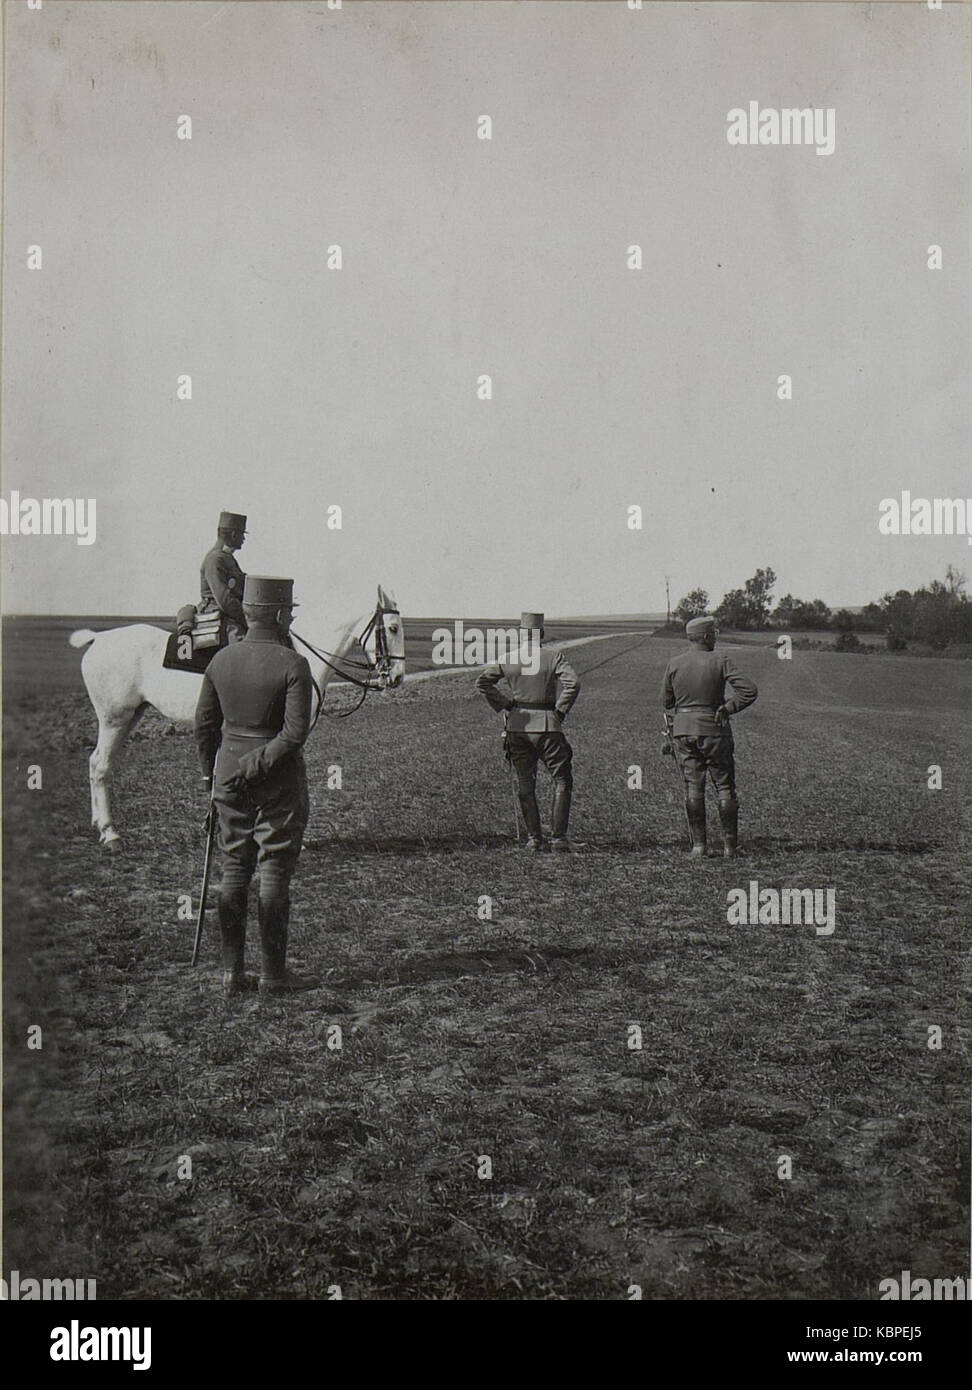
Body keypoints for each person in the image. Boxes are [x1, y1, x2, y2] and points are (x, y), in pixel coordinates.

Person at [194, 574, 319, 995]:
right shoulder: (293, 664)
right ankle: (273, 977)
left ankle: (231, 975)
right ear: (281, 614)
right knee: (274, 871)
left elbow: (205, 726)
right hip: (277, 780)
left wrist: (213, 777)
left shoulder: (220, 660)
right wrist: (258, 763)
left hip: (227, 778)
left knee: (234, 870)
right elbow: (295, 732)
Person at [476, 612, 581, 853]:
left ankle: (534, 839)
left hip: (517, 726)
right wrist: (560, 711)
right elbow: (573, 683)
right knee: (562, 779)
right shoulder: (554, 657)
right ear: (541, 634)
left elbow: (482, 683)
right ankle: (559, 839)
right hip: (548, 725)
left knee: (525, 782)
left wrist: (507, 704)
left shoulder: (508, 658)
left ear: (522, 634)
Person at [662, 615, 757, 858]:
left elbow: (667, 701)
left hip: (683, 731)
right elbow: (749, 690)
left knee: (694, 788)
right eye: (713, 633)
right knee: (724, 786)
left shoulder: (674, 663)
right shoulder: (721, 660)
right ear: (705, 636)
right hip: (715, 730)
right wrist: (728, 708)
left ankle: (699, 846)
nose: (715, 636)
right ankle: (729, 847)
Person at [200, 510, 248, 644]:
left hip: (229, 616)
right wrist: (247, 619)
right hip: (221, 617)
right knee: (242, 649)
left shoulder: (226, 558)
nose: (243, 539)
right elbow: (224, 600)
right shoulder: (215, 559)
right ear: (233, 535)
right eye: (242, 535)